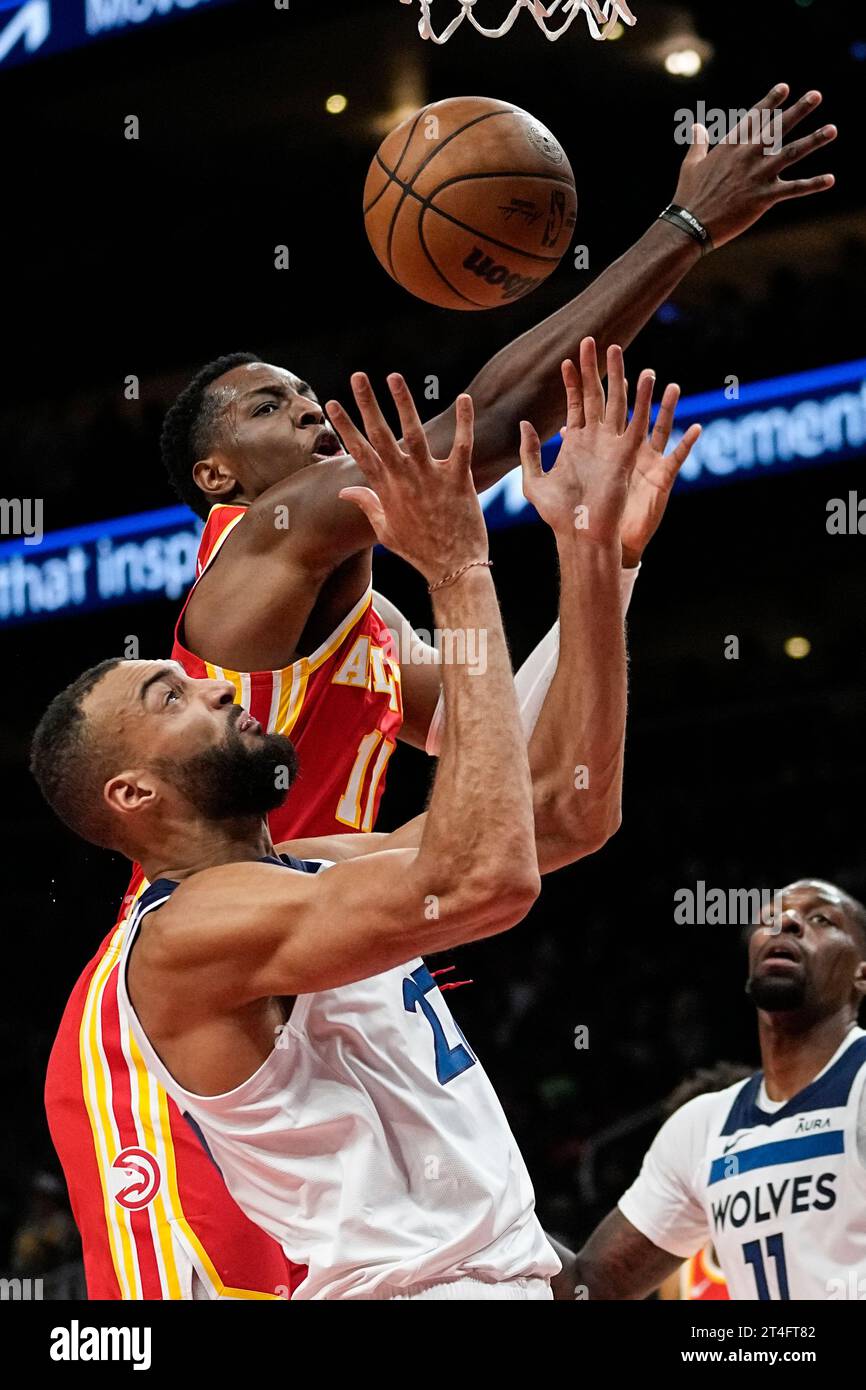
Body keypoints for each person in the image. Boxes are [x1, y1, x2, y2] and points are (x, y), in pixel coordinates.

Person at [44, 336, 697, 1298]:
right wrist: (459, 570)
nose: (211, 691)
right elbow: (487, 879)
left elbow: (562, 808)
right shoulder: (187, 934)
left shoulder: (315, 862)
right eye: (169, 700)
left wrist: (598, 558)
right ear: (133, 794)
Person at [564, 880, 866, 1300]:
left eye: (820, 919)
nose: (790, 923)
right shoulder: (701, 1126)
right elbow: (592, 1285)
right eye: (772, 919)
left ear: (861, 973)